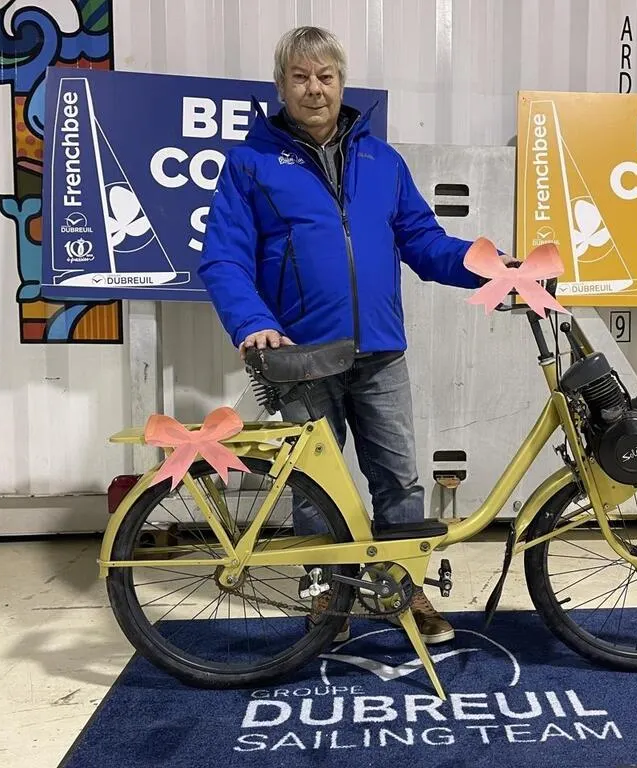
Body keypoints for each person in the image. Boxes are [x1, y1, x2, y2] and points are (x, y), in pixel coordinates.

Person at [197, 26, 508, 645]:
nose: (315, 89)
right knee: (317, 486)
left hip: (380, 350)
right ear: (280, 85)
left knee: (399, 476)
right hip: (300, 354)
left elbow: (423, 243)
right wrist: (254, 321)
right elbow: (223, 258)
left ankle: (403, 589)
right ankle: (328, 597)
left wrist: (494, 267)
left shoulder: (381, 161)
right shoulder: (250, 163)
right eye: (300, 77)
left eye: (326, 77)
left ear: (342, 83)